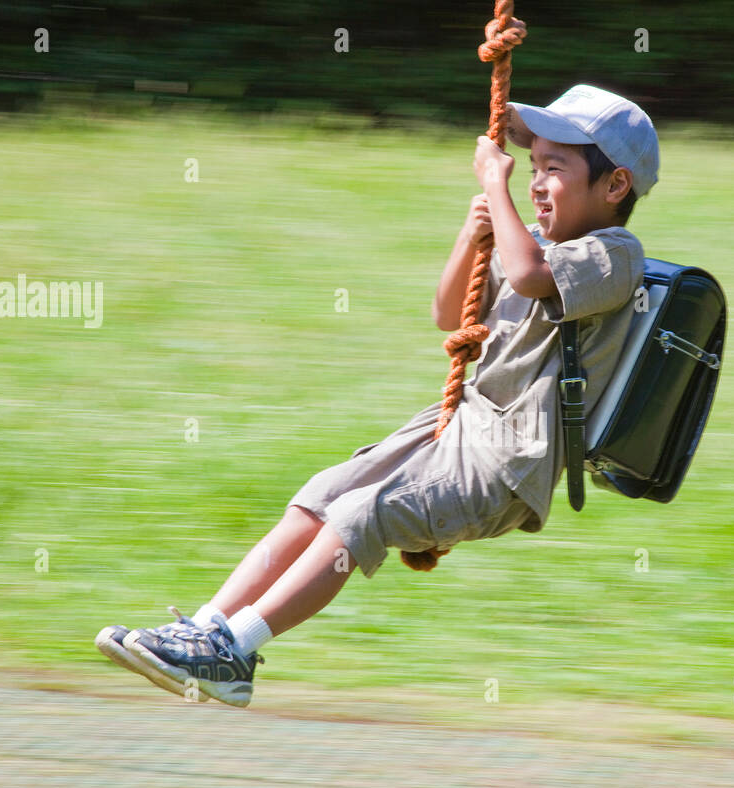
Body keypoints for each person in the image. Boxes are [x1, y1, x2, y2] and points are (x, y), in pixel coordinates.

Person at [95, 84, 660, 707]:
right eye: (531, 168)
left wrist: (494, 192)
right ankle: (203, 630)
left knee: (361, 516)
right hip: (458, 429)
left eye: (554, 169)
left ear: (614, 187)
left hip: (509, 464)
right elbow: (449, 313)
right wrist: (473, 237)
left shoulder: (614, 256)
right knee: (323, 495)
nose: (533, 182)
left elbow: (528, 275)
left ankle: (237, 648)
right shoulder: (525, 237)